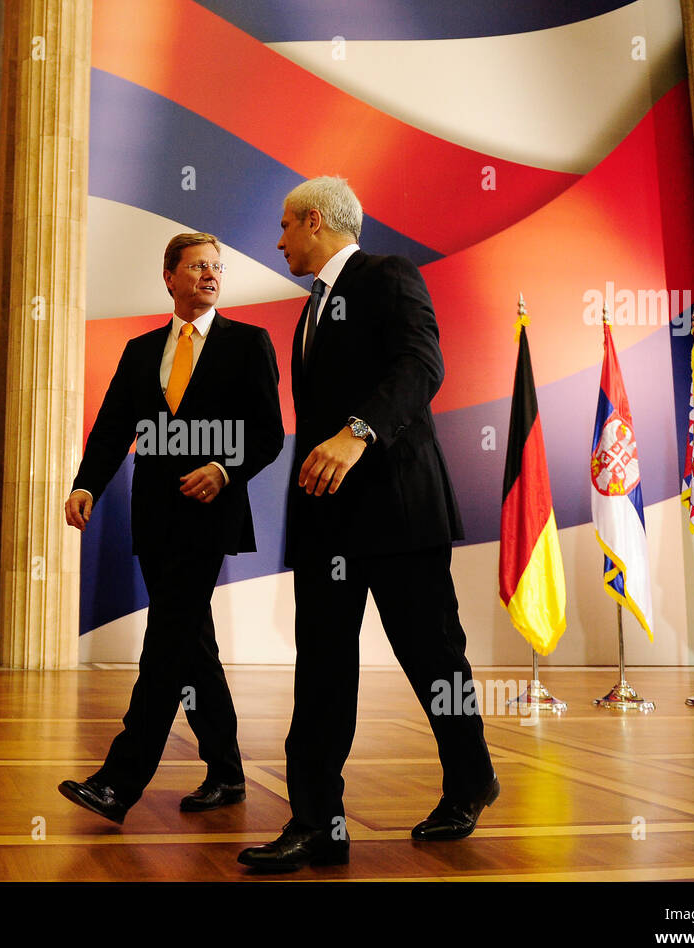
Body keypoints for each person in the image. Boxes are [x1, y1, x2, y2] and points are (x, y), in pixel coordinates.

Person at [238, 177, 498, 873]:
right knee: (321, 669)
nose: (280, 239)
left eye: (286, 226)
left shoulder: (389, 275)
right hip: (328, 523)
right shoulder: (308, 313)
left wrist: (359, 431)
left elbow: (423, 365)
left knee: (432, 657)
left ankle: (471, 778)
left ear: (315, 221)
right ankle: (317, 821)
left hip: (399, 511)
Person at [58, 232, 284, 824]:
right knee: (192, 644)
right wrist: (86, 484)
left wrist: (223, 467)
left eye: (217, 267)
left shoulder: (248, 343)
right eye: (197, 266)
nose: (210, 274)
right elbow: (111, 430)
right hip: (153, 517)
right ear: (170, 277)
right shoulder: (140, 350)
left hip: (211, 518)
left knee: (164, 644)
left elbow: (267, 432)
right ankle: (229, 772)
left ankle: (119, 781)